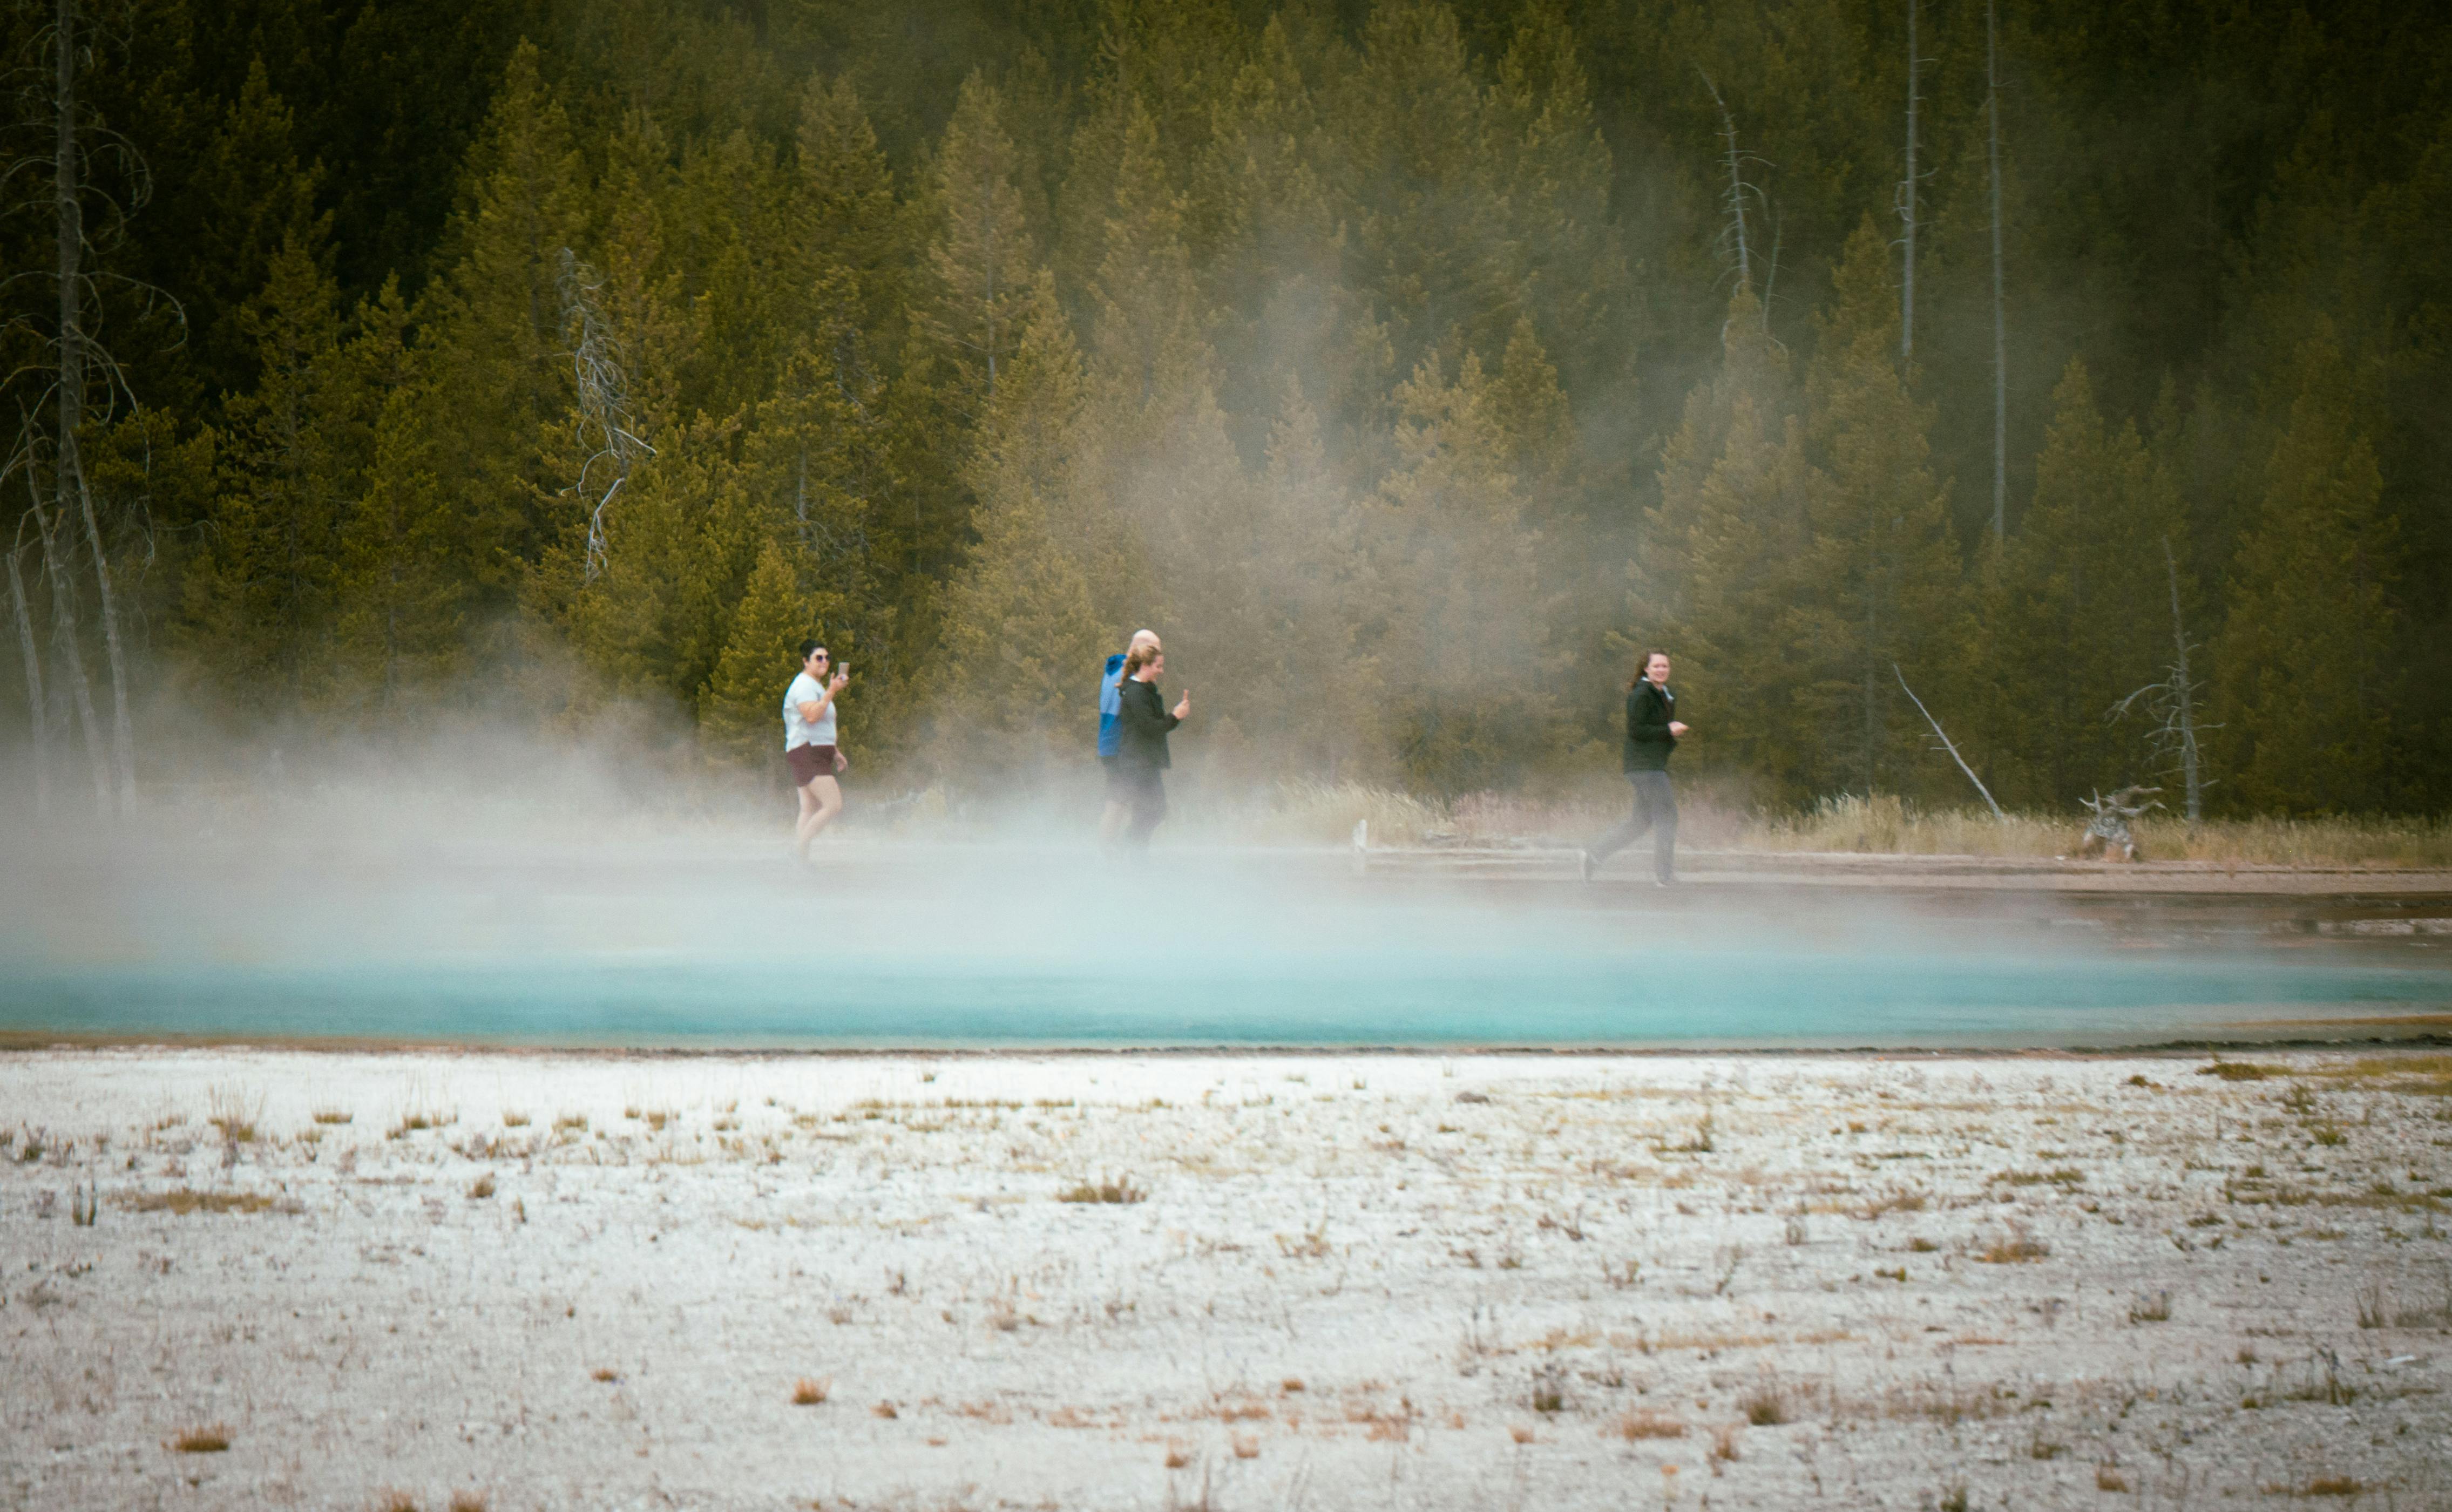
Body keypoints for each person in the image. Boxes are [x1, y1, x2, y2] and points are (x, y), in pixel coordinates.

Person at [1582, 650, 1688, 885]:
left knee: (1640, 823)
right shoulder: (1641, 695)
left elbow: (1655, 729)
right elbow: (1636, 731)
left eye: (1665, 666)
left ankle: (1594, 855)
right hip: (1645, 767)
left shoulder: (1665, 695)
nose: (1662, 670)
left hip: (1649, 765)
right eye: (1657, 666)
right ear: (1646, 670)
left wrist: (1668, 733)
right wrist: (1669, 730)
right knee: (1667, 816)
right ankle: (1665, 876)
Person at [1111, 642, 1190, 850]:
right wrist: (1175, 717)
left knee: (1153, 812)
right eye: (1158, 666)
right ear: (1145, 665)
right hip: (1138, 764)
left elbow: (1151, 726)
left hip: (1145, 763)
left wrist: (1175, 717)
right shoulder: (1136, 693)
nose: (1161, 671)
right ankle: (1128, 851)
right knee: (1151, 812)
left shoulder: (1145, 690)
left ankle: (1133, 855)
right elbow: (1149, 728)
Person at [783, 640, 849, 862]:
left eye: (827, 658)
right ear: (805, 661)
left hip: (816, 751)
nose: (824, 662)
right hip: (806, 751)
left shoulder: (816, 686)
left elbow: (823, 725)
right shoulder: (803, 686)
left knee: (809, 808)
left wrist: (835, 752)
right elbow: (812, 716)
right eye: (818, 658)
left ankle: (799, 860)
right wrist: (832, 690)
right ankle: (798, 851)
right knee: (833, 804)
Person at [1096, 629, 1162, 842]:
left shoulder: (1116, 668)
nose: (1158, 660)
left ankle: (1114, 853)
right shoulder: (1125, 677)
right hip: (1119, 746)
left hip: (1111, 744)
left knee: (1121, 804)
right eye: (1154, 653)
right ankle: (1108, 855)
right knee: (1118, 804)